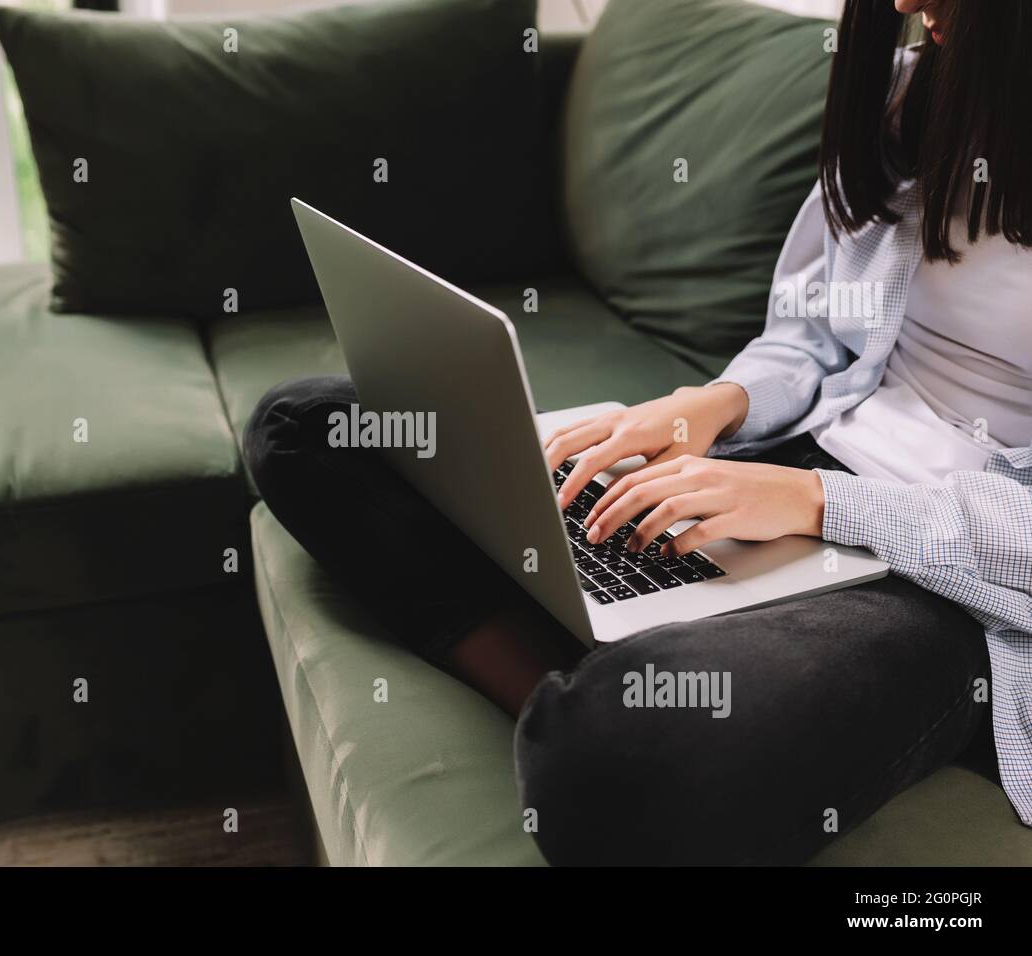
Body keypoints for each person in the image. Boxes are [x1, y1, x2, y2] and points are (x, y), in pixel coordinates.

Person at [244, 0, 1032, 864]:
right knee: (310, 429)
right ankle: (590, 653)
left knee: (616, 759)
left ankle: (592, 687)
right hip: (788, 461)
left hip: (953, 576)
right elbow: (814, 333)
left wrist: (819, 504)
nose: (906, 5)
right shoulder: (910, 95)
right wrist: (714, 404)